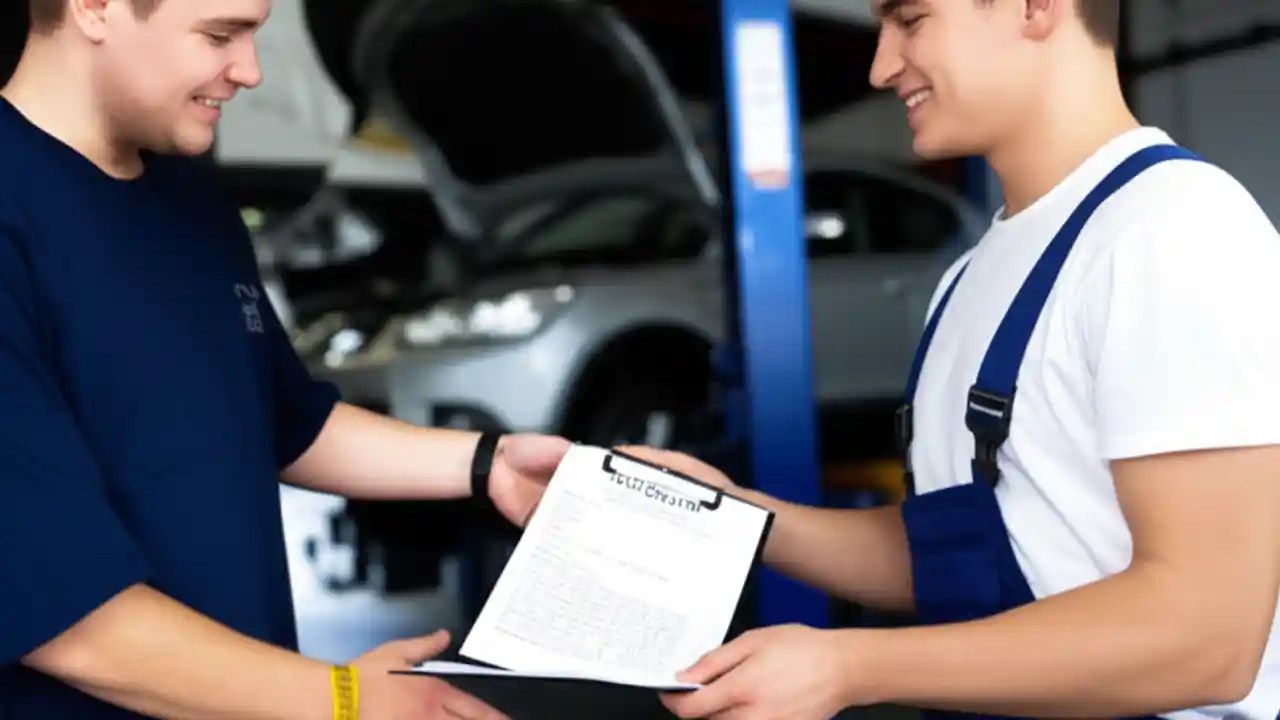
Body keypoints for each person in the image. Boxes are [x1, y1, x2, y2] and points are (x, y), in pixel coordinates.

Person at [624, 1, 1280, 719]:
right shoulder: (966, 277)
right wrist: (727, 514)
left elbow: (1206, 636)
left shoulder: (1171, 232)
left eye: (909, 19)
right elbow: (968, 551)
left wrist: (846, 665)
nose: (879, 67)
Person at [0, 0, 572, 718]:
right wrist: (339, 700)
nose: (249, 70)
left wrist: (489, 463)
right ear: (94, 7)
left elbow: (286, 423)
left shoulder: (193, 203)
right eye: (219, 34)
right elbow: (63, 614)